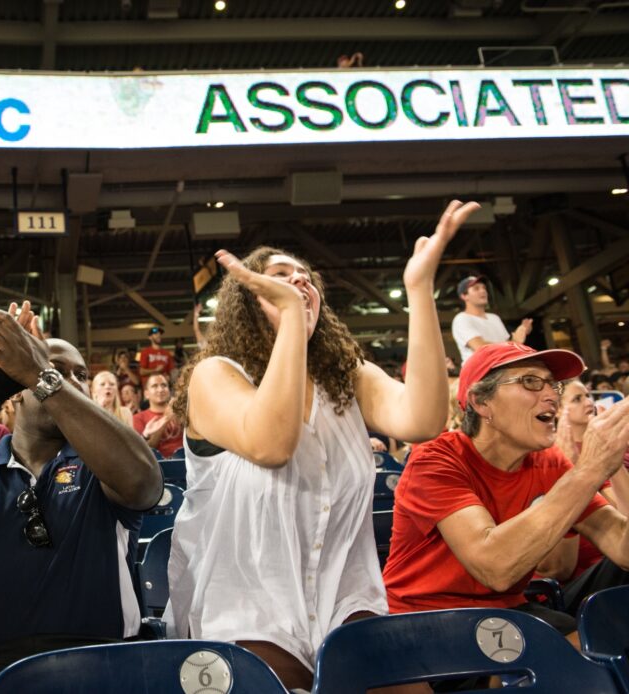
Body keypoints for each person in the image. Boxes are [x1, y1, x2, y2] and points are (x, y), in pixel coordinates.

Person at [168, 201, 473, 690]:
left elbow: (423, 419)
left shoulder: (346, 380)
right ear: (250, 298)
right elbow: (271, 444)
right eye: (280, 276)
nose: (299, 282)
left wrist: (419, 290)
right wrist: (290, 318)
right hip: (248, 609)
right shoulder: (216, 376)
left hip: (346, 601)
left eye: (306, 276)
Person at [0, 301, 162, 693]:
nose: (69, 381)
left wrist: (42, 374)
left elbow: (144, 484)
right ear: (14, 393)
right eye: (53, 368)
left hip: (100, 661)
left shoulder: (103, 466)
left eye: (79, 375)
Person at [383, 342, 629, 643]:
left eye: (554, 385)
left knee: (605, 653)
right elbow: (495, 567)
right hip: (426, 621)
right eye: (530, 382)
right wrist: (590, 469)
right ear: (481, 403)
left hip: (508, 612)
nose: (552, 395)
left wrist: (613, 463)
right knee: (583, 665)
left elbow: (623, 547)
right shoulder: (436, 458)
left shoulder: (549, 461)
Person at [535, 379, 629, 585]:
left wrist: (613, 459)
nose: (587, 402)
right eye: (577, 399)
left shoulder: (606, 448)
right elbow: (557, 568)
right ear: (558, 410)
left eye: (587, 395)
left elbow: (622, 515)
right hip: (583, 575)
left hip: (610, 559)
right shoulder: (549, 455)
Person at [450, 275, 531, 364]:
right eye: (476, 288)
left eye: (484, 288)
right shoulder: (461, 319)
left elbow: (506, 345)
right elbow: (481, 347)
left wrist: (521, 333)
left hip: (501, 367)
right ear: (464, 296)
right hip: (478, 371)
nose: (483, 291)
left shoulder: (494, 318)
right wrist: (514, 343)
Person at [132, 373, 183, 459]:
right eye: (155, 386)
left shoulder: (181, 413)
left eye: (164, 385)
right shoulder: (138, 418)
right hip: (157, 464)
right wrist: (166, 419)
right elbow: (146, 449)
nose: (160, 389)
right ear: (146, 394)